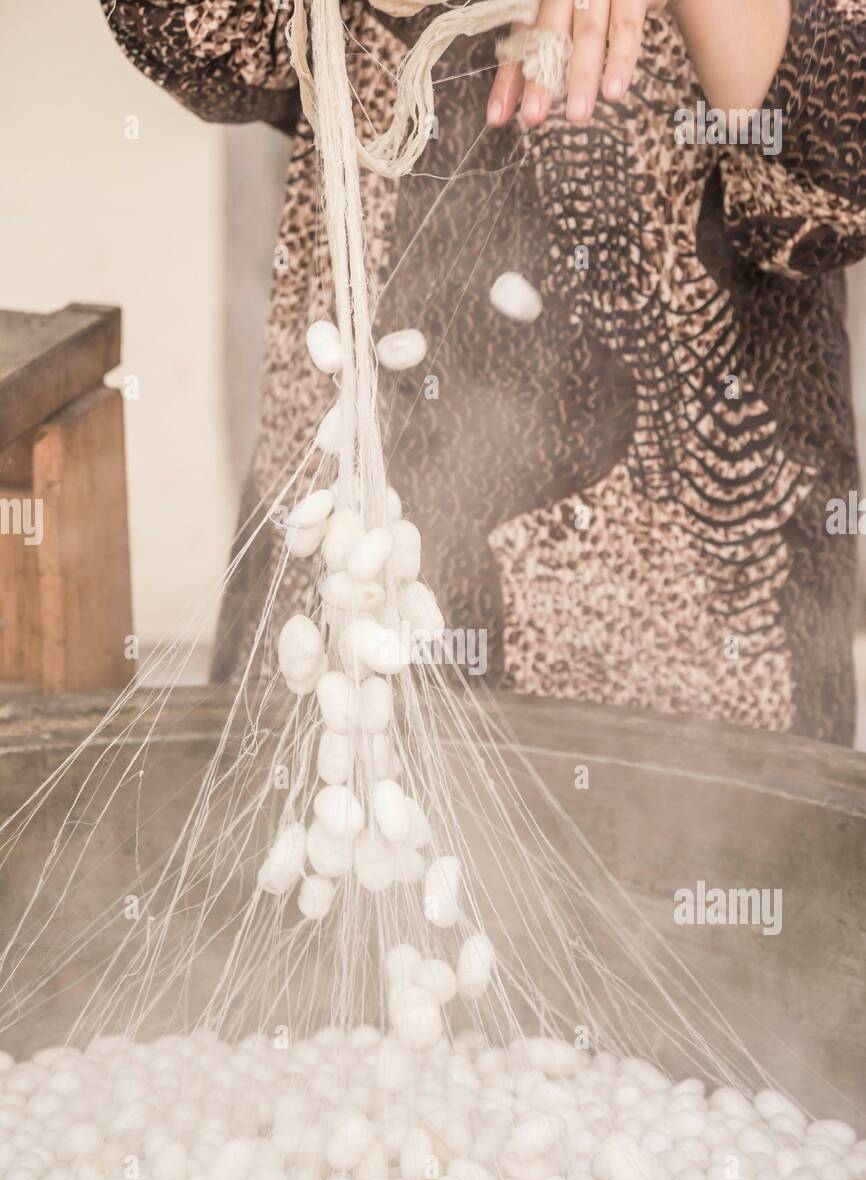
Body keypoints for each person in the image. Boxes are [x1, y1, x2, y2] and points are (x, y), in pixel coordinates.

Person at [101, 1, 866, 744]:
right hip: (352, 583)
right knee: (334, 826)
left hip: (696, 657)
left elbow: (834, 168)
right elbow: (187, 35)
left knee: (701, 849)